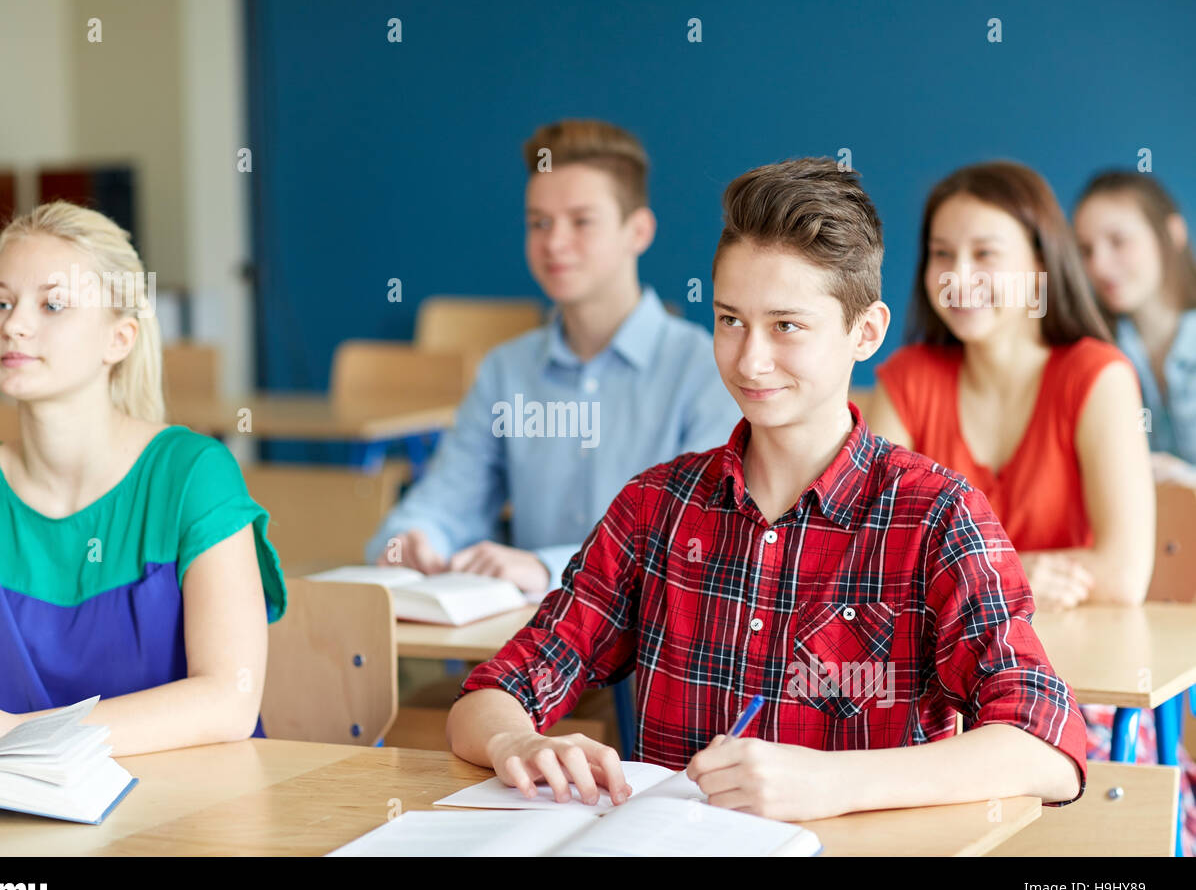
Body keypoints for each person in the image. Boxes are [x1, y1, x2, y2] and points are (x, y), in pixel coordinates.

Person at [446, 158, 1085, 821]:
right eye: (730, 320)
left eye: (786, 326)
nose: (750, 359)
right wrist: (515, 740)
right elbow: (487, 697)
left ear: (865, 332)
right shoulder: (654, 509)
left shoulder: (937, 518)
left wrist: (832, 784)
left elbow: (1047, 749)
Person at [865, 161, 1196, 854]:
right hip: (942, 693)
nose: (958, 274)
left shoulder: (1097, 373)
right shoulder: (905, 380)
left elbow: (1119, 574)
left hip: (1081, 693)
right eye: (941, 254)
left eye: (986, 253)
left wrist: (964, 583)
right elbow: (877, 566)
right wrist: (1023, 576)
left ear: (1040, 269)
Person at [0, 201, 286, 756]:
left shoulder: (195, 475)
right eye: (0, 301)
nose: (14, 324)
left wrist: (7, 731)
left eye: (52, 305)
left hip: (193, 821)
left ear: (119, 339)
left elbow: (229, 700)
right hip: (9, 833)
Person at [365, 119, 738, 592]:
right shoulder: (506, 371)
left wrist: (547, 568)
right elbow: (448, 496)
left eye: (581, 221)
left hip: (655, 657)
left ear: (638, 231)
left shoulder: (704, 369)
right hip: (535, 651)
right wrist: (412, 539)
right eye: (539, 222)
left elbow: (696, 542)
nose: (554, 242)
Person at [1074, 171, 1196, 479]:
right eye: (1086, 250)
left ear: (1172, 234)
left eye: (1118, 241)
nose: (1098, 266)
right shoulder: (1092, 356)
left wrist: (1184, 480)